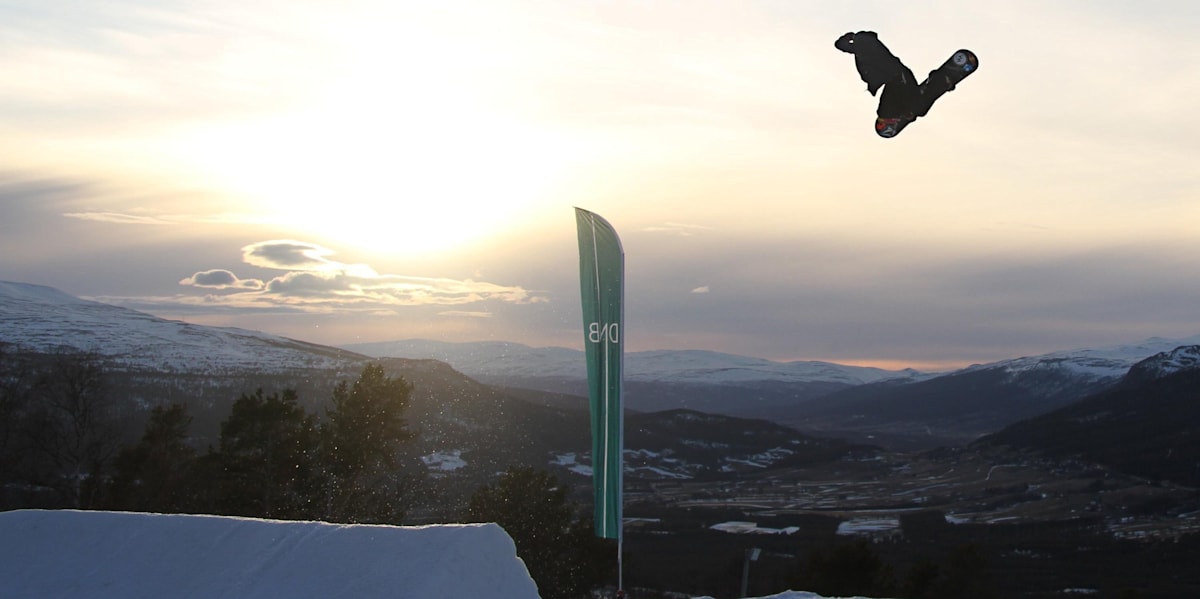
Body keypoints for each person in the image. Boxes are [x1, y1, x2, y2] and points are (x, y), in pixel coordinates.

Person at [835, 31, 953, 122]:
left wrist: (848, 38)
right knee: (918, 108)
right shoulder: (867, 48)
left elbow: (841, 45)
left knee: (907, 108)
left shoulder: (868, 47)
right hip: (899, 77)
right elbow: (841, 45)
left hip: (898, 78)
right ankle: (938, 82)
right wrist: (848, 38)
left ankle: (938, 83)